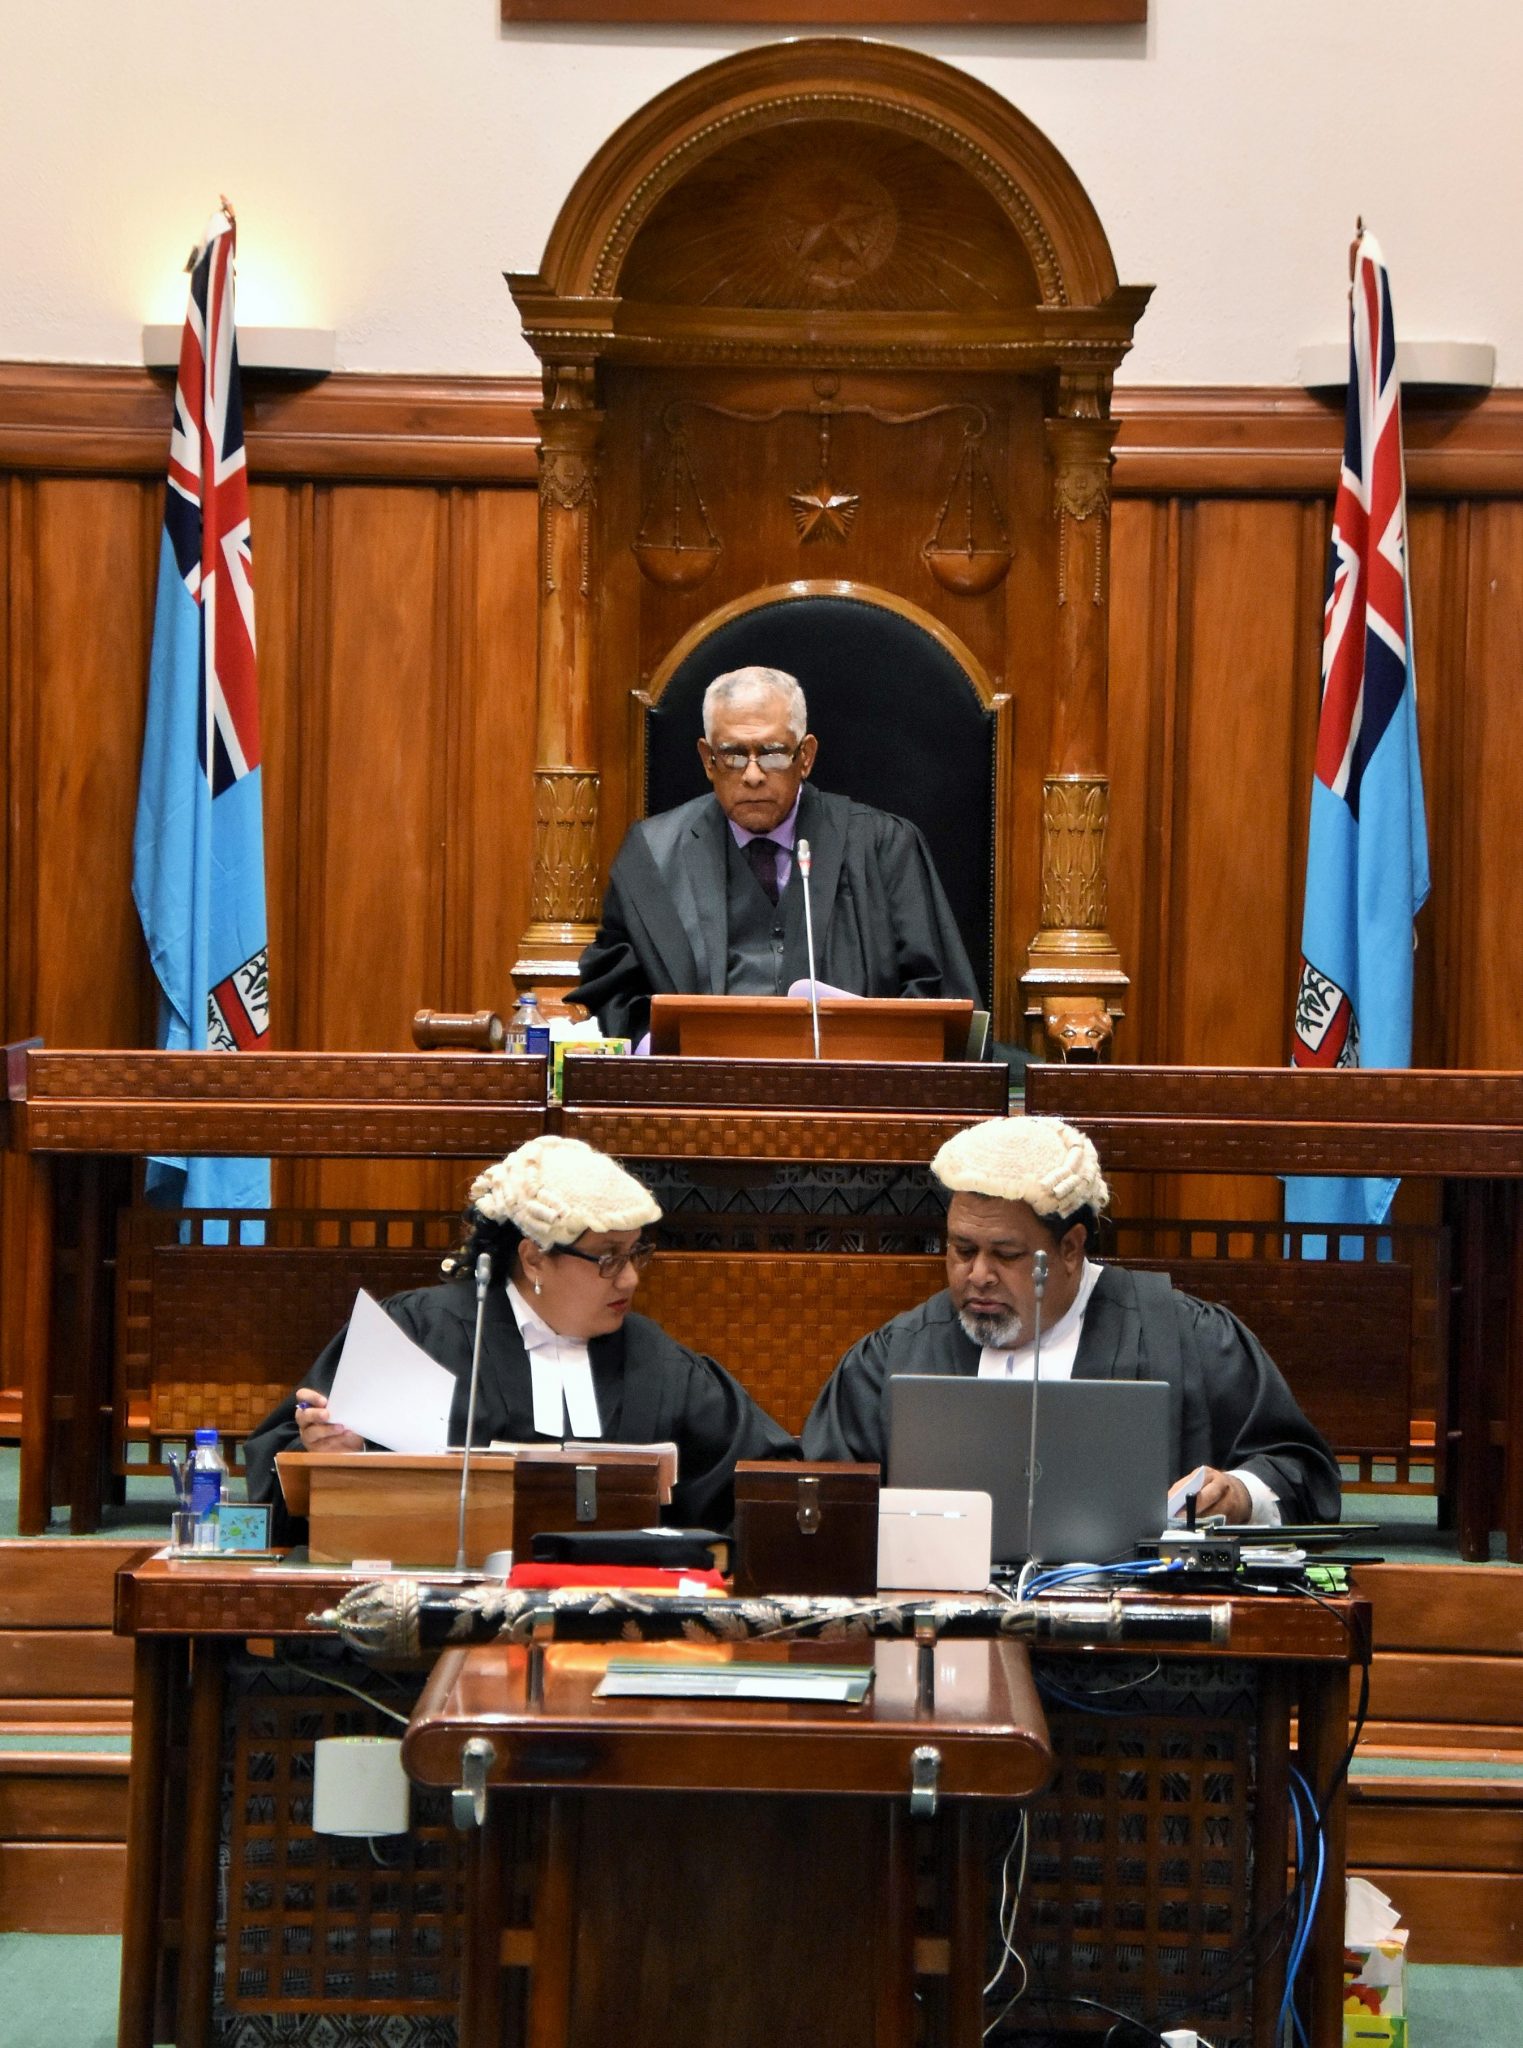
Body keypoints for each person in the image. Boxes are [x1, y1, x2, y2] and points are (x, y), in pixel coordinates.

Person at [244, 1135, 798, 1538]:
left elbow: (768, 1484)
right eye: (608, 1259)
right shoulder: (417, 1335)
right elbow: (283, 1485)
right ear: (534, 1257)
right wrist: (340, 1453)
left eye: (636, 1255)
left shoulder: (655, 1360)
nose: (628, 1278)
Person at [802, 1116, 1341, 1526]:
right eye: (962, 1250)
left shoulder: (1185, 1338)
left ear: (1070, 1249)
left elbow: (1297, 1467)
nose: (978, 1275)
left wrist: (1242, 1493)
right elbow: (823, 1498)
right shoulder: (897, 1357)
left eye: (1006, 1255)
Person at [568, 665, 980, 1043]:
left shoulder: (884, 847)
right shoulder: (651, 858)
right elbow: (616, 997)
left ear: (806, 757)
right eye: (732, 754)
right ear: (707, 760)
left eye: (773, 753)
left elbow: (936, 997)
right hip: (700, 1096)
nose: (751, 774)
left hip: (854, 1093)